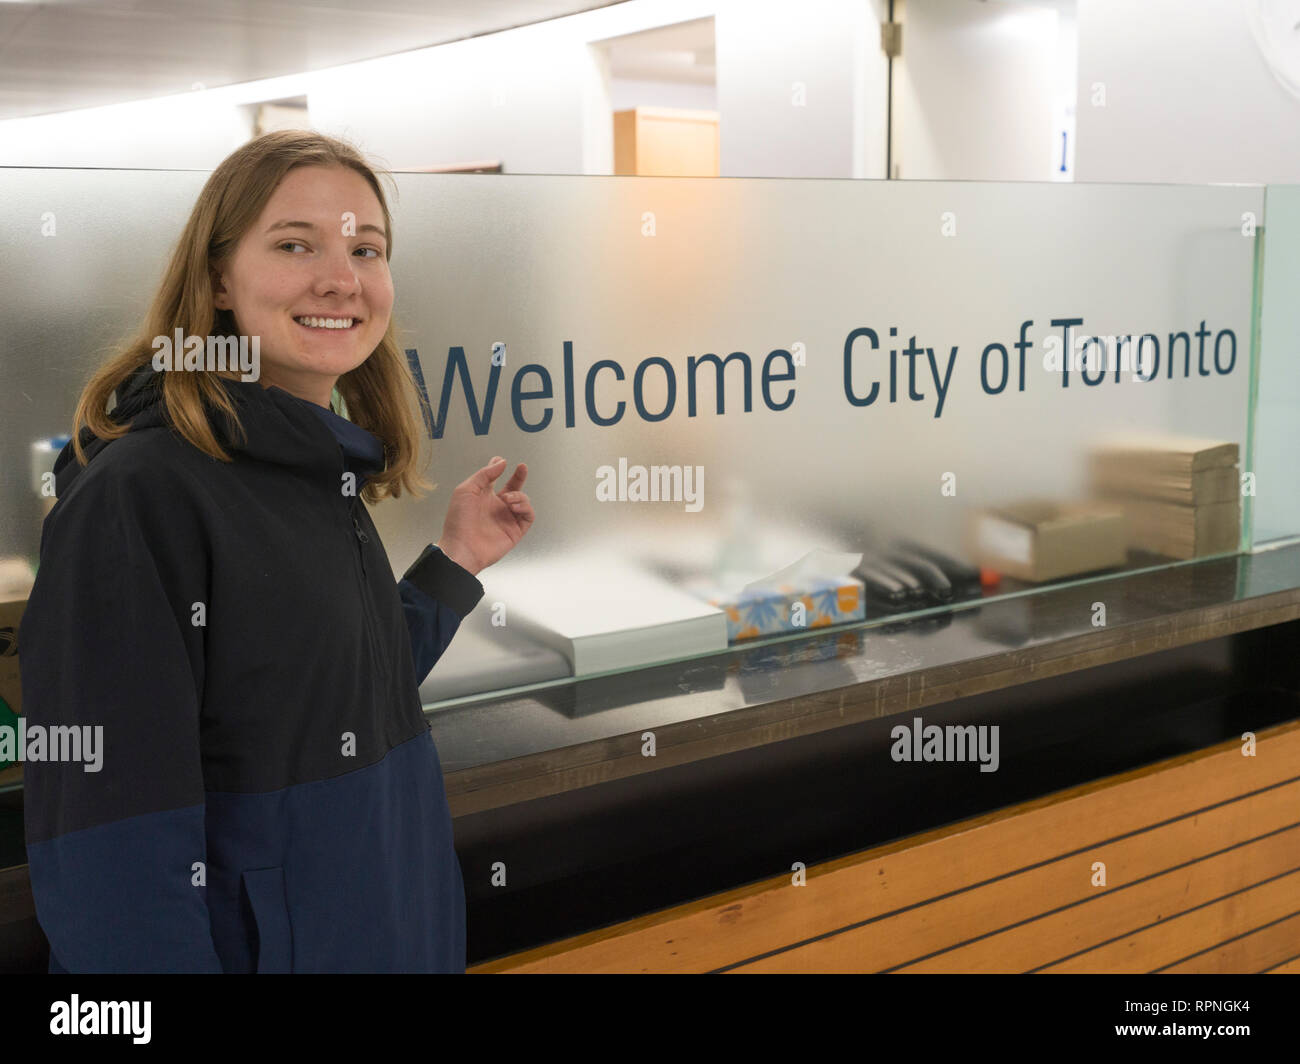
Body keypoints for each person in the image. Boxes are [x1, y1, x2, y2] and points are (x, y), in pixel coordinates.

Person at [19, 129, 534, 973]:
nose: (342, 277)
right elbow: (107, 851)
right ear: (218, 278)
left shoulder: (315, 462)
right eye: (296, 244)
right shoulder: (141, 494)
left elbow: (332, 703)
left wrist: (453, 565)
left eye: (366, 248)